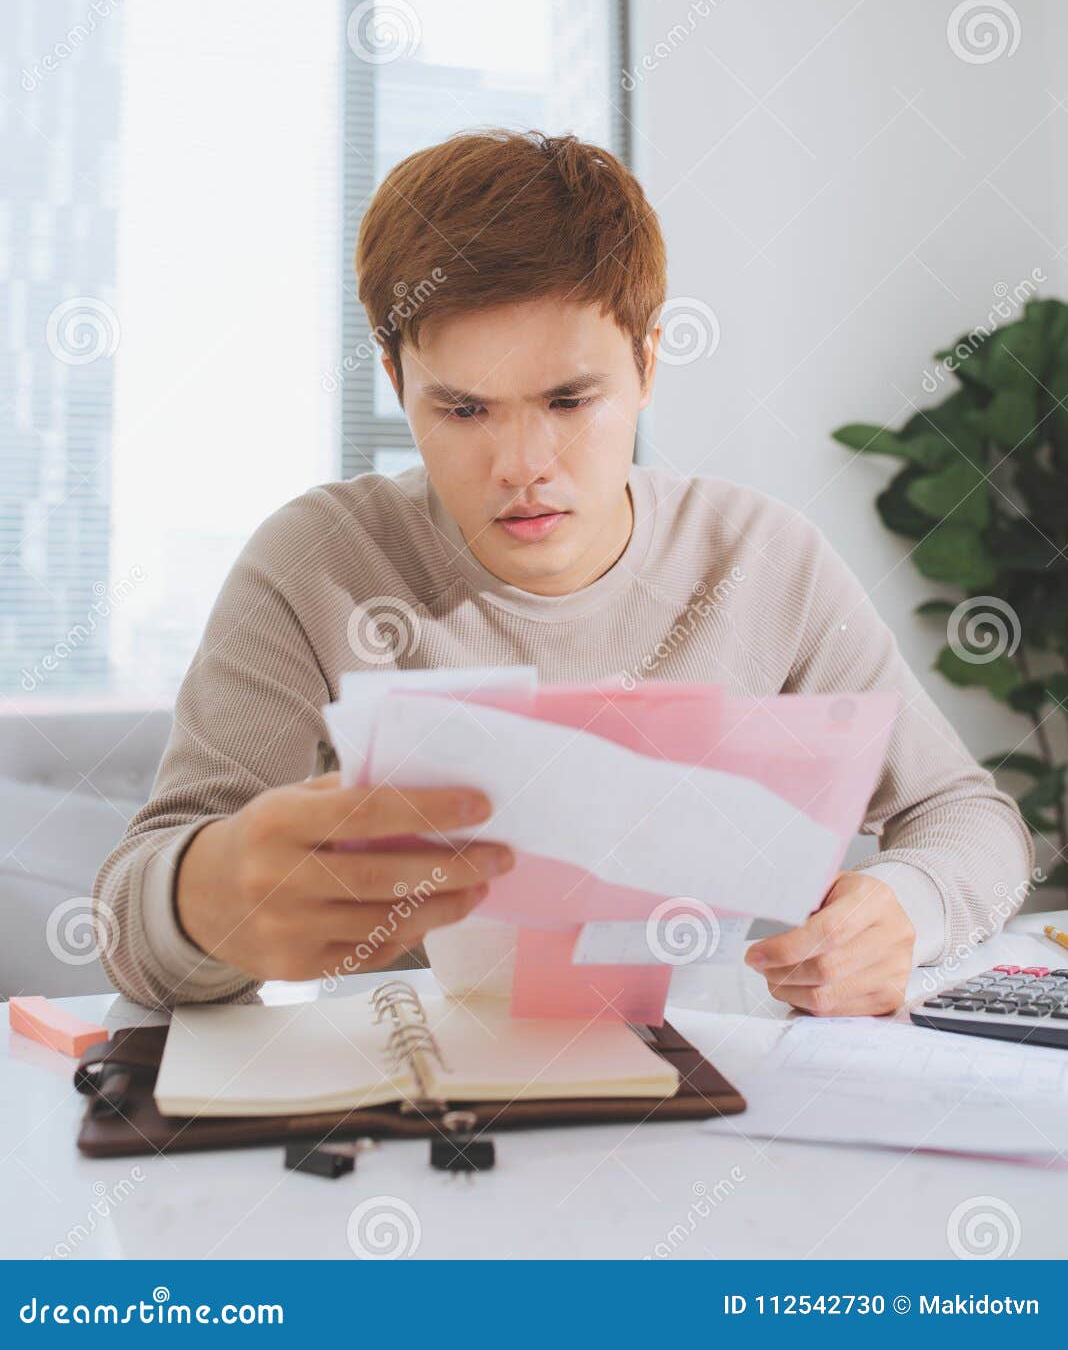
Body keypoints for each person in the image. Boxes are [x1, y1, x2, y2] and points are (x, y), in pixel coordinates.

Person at [94, 129, 1033, 1014]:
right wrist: (206, 896)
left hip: (709, 1081)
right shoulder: (317, 565)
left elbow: (970, 817)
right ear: (395, 381)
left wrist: (909, 906)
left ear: (647, 364)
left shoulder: (760, 559)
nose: (522, 466)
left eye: (570, 400)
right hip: (417, 1092)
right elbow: (129, 931)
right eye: (464, 410)